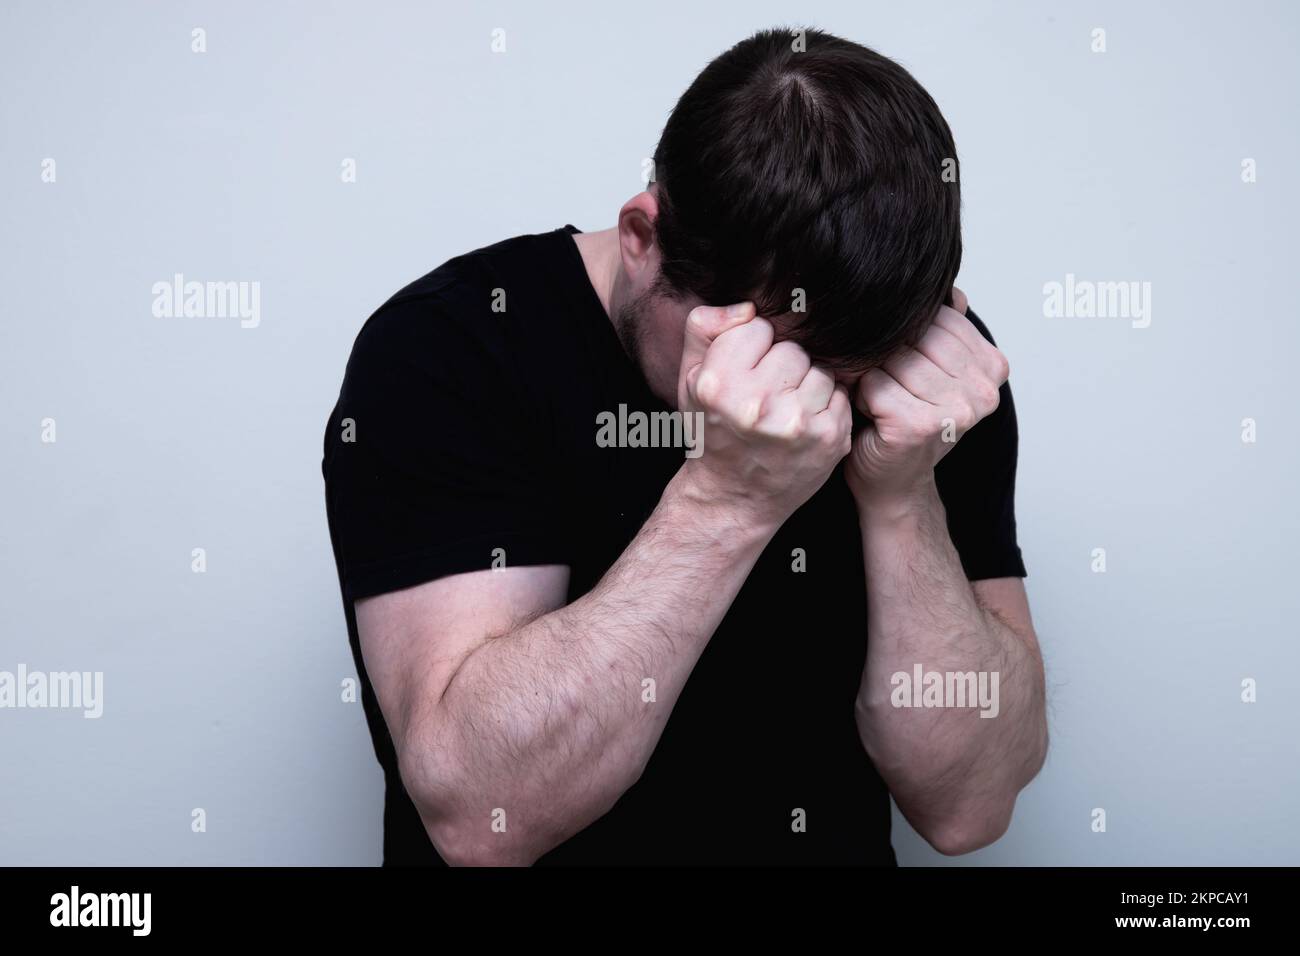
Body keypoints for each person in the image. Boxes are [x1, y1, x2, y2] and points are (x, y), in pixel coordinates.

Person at [322, 27, 1048, 866]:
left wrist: (903, 493)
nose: (804, 405)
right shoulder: (451, 348)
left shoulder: (932, 374)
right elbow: (480, 813)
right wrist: (729, 497)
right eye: (773, 352)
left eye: (848, 372)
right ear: (641, 238)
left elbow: (971, 806)